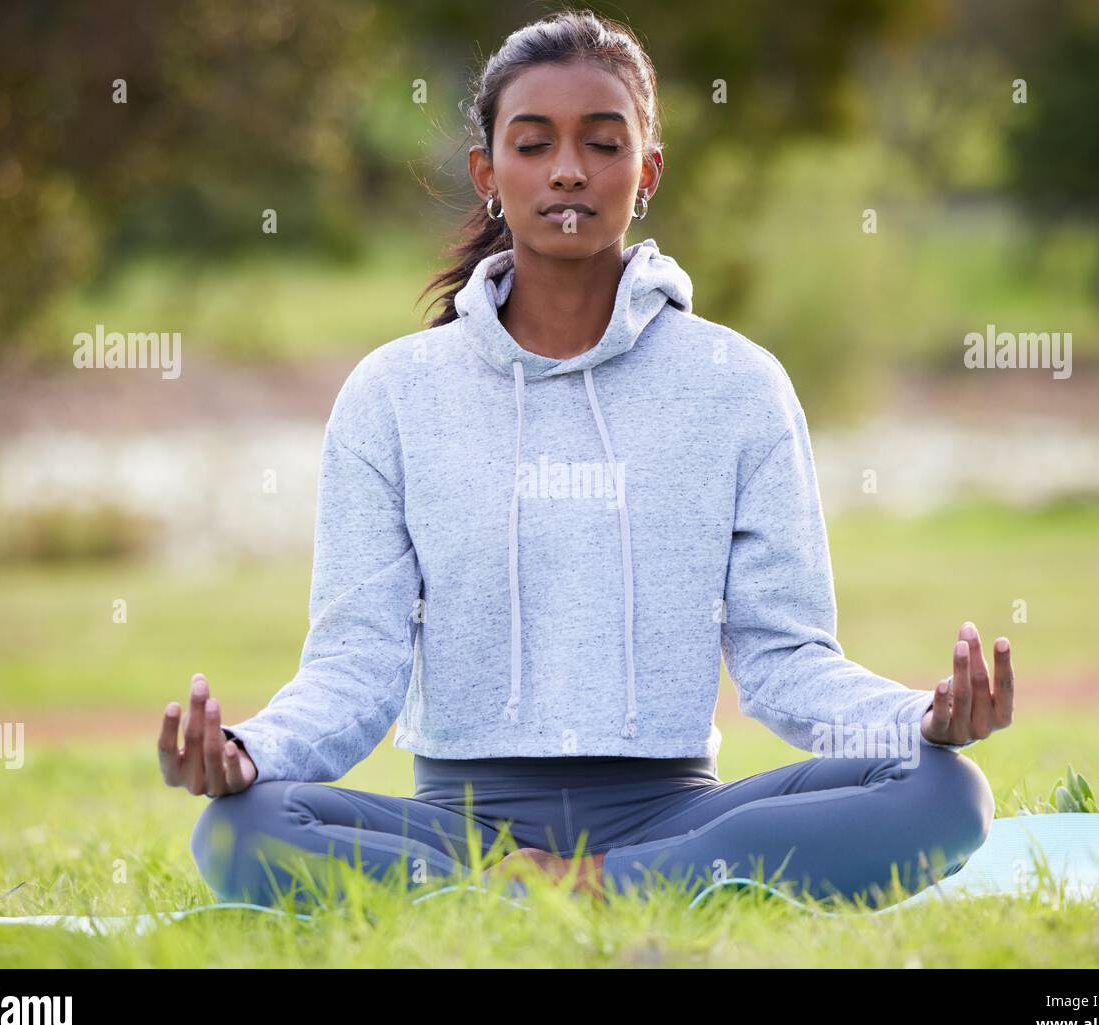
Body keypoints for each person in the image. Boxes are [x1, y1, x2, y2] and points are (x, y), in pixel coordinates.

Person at [161, 8, 1012, 911]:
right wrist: (253, 750)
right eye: (534, 145)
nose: (568, 168)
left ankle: (563, 890)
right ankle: (586, 892)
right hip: (460, 824)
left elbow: (785, 657)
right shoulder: (393, 395)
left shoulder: (739, 385)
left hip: (675, 818)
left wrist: (914, 719)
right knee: (239, 827)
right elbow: (355, 666)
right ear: (487, 174)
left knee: (946, 792)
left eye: (602, 144)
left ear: (644, 173)